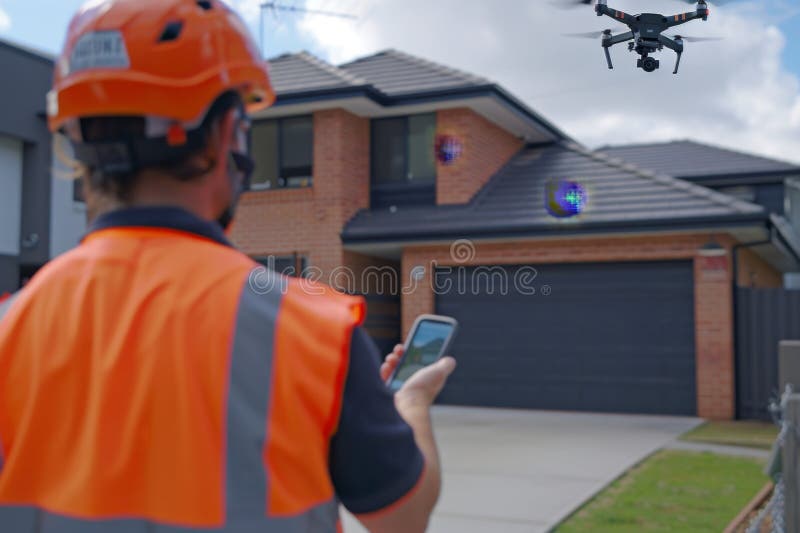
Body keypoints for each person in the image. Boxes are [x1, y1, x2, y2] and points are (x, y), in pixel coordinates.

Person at [0, 1, 456, 531]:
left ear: (75, 140)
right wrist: (412, 402)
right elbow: (404, 517)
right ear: (225, 136)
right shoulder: (314, 330)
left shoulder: (10, 329)